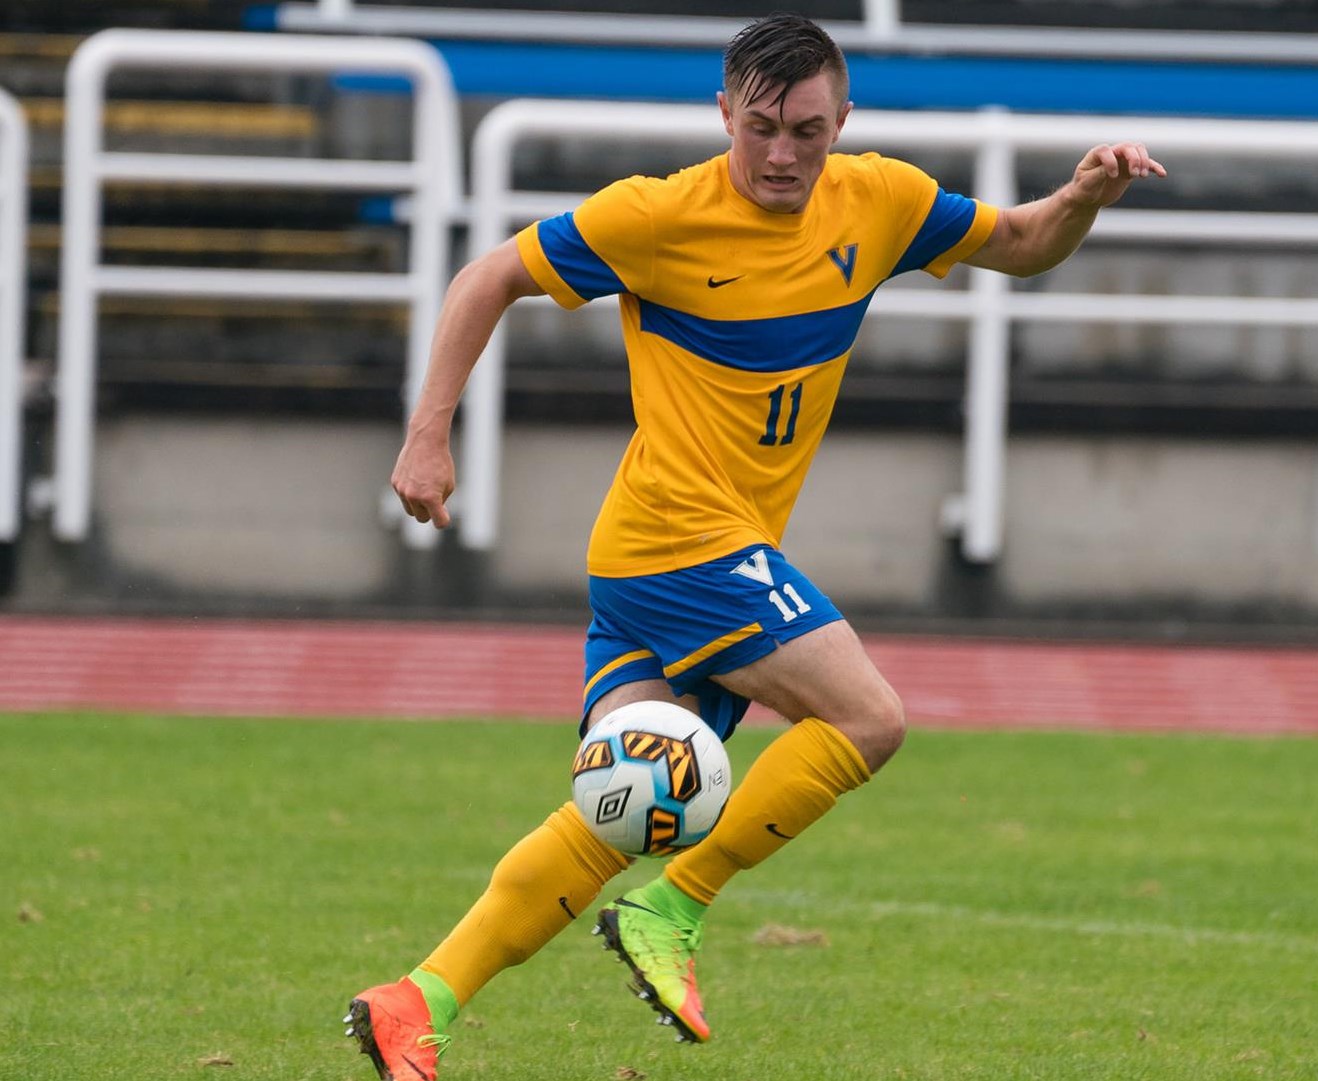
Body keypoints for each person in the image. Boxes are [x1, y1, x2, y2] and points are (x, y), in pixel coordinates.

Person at [344, 12, 1164, 1079]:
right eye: (762, 128)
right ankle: (676, 909)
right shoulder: (654, 216)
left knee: (625, 807)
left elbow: (1018, 243)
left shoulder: (881, 200)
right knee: (869, 718)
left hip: (660, 561)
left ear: (843, 120)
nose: (783, 155)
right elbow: (486, 277)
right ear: (723, 113)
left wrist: (1082, 197)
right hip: (676, 541)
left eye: (808, 132)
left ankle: (419, 998)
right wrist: (426, 435)